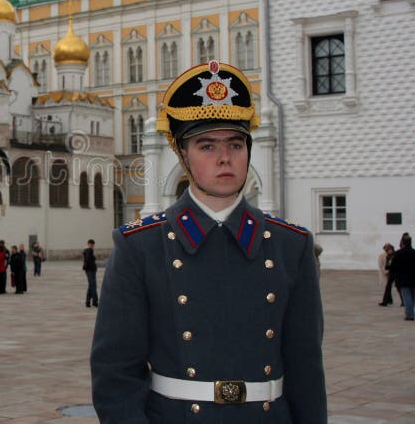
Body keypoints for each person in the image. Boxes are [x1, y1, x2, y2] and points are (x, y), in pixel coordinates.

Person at [91, 61, 326, 422]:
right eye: (206, 146)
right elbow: (115, 374)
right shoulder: (141, 246)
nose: (224, 158)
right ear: (183, 155)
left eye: (235, 143)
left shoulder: (290, 246)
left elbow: (306, 370)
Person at [389, 232, 415, 321]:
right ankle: (411, 312)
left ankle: (410, 315)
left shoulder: (398, 253)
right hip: (414, 278)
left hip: (403, 279)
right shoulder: (414, 252)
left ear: (402, 242)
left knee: (407, 297)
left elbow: (393, 267)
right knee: (413, 297)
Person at [82, 239, 98, 307]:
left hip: (89, 270)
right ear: (88, 244)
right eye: (91, 244)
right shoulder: (89, 251)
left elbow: (87, 260)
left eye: (92, 245)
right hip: (90, 270)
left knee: (91, 286)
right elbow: (88, 260)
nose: (92, 246)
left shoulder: (87, 251)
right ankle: (94, 301)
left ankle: (88, 302)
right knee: (93, 286)